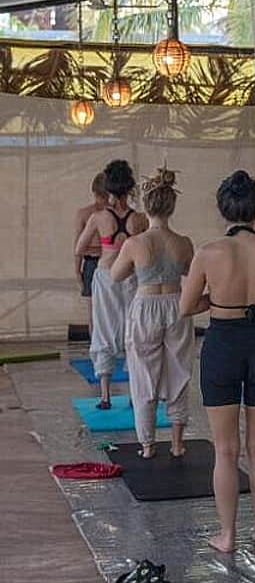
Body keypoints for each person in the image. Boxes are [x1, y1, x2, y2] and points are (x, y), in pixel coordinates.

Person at [180, 171, 255, 553]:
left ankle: (227, 535)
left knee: (225, 449)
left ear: (222, 210)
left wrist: (215, 300)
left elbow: (185, 307)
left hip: (223, 344)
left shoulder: (209, 252)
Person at [110, 168, 193, 459]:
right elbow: (188, 272)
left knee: (143, 374)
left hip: (145, 305)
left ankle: (147, 445)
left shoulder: (135, 243)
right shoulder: (183, 242)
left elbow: (116, 275)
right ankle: (178, 442)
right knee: (179, 371)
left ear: (146, 206)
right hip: (176, 304)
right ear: (172, 206)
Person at [74, 160, 148, 408]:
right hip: (131, 276)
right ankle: (132, 393)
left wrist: (104, 247)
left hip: (107, 275)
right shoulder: (139, 219)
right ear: (129, 187)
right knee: (133, 330)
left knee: (104, 330)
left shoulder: (98, 218)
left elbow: (79, 247)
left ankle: (105, 396)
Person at [74, 173, 108, 331]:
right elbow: (78, 245)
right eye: (100, 196)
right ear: (94, 194)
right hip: (91, 262)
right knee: (93, 311)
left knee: (109, 308)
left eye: (105, 196)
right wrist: (77, 270)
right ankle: (94, 346)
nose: (103, 201)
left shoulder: (113, 215)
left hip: (108, 262)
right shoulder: (85, 214)